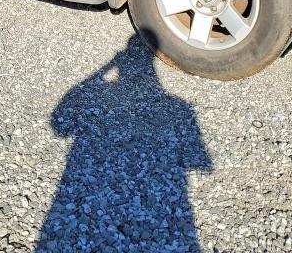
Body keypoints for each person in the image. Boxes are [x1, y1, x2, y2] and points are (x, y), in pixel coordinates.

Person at [38, 33, 212, 252]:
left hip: (82, 184)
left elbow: (59, 125)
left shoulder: (179, 107)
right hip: (169, 209)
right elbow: (199, 162)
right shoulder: (180, 107)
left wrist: (103, 70)